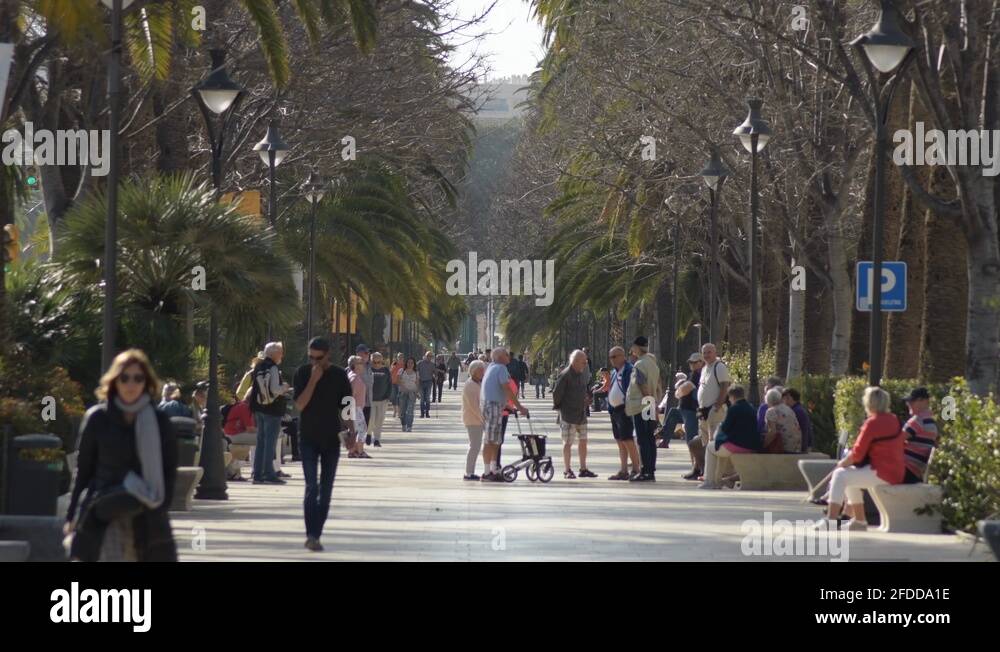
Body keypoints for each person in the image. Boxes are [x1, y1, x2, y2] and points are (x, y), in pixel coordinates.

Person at [65, 349, 178, 562]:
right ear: (114, 380)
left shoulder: (159, 421)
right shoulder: (98, 418)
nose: (130, 384)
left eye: (138, 378)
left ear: (146, 382)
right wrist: (72, 515)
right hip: (104, 511)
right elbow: (83, 471)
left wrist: (161, 507)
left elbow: (169, 471)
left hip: (147, 513)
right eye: (124, 378)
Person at [293, 337, 354, 551]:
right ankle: (311, 534)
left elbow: (347, 405)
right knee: (311, 487)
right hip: (307, 438)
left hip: (330, 440)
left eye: (318, 358)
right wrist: (313, 380)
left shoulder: (338, 375)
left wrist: (351, 432)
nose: (314, 362)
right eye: (310, 357)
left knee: (326, 490)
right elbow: (300, 405)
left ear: (327, 355)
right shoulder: (302, 373)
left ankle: (316, 534)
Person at [816, 386, 905, 530]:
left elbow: (857, 453)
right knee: (849, 477)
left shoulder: (872, 423)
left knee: (840, 475)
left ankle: (831, 520)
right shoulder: (895, 420)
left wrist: (842, 463)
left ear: (869, 403)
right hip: (896, 472)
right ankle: (859, 521)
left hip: (881, 472)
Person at [480, 347, 529, 482]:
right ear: (500, 357)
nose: (509, 356)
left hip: (491, 405)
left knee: (496, 439)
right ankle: (487, 472)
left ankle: (493, 469)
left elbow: (496, 389)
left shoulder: (491, 367)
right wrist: (520, 407)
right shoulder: (501, 368)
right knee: (490, 440)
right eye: (506, 354)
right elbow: (506, 389)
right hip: (493, 406)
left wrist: (508, 406)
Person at [699, 386, 760, 489]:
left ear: (732, 397)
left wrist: (718, 434)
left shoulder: (734, 408)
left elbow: (726, 428)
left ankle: (709, 480)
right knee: (720, 448)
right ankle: (718, 481)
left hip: (737, 445)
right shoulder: (751, 408)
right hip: (751, 446)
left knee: (711, 447)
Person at [249, 342, 291, 484]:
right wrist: (284, 387)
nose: (282, 355)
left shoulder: (259, 366)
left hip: (259, 408)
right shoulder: (272, 367)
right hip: (272, 410)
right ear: (273, 354)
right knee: (270, 443)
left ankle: (257, 474)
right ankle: (269, 473)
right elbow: (275, 389)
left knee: (261, 442)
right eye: (280, 352)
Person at [553, 349, 596, 479]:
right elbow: (557, 394)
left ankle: (583, 468)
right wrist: (562, 408)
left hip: (581, 414)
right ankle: (567, 470)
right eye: (583, 362)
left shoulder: (582, 374)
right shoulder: (565, 375)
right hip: (568, 414)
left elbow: (583, 390)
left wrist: (586, 400)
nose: (585, 364)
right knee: (568, 442)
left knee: (583, 441)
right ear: (575, 361)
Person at [626, 336, 662, 482]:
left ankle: (645, 470)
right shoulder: (653, 364)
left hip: (642, 405)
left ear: (637, 347)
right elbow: (658, 385)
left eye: (633, 347)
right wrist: (654, 403)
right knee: (650, 438)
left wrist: (648, 400)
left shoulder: (639, 364)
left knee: (642, 438)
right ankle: (650, 470)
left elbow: (641, 385)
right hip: (650, 403)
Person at [607, 346, 641, 480]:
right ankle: (623, 470)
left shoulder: (629, 370)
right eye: (611, 357)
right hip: (614, 411)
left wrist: (629, 406)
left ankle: (636, 469)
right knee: (620, 441)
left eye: (615, 356)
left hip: (624, 410)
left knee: (627, 440)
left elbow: (631, 390)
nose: (612, 360)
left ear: (623, 356)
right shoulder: (614, 372)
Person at [697, 343, 731, 458]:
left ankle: (716, 467)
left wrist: (716, 406)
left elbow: (725, 386)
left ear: (715, 353)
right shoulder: (704, 368)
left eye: (709, 352)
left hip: (715, 411)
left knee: (715, 442)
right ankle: (707, 467)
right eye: (704, 353)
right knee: (705, 441)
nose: (706, 355)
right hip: (703, 411)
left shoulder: (719, 366)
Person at [901, 387, 938, 484]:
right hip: (916, 472)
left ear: (924, 401)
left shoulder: (918, 420)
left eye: (911, 401)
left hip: (905, 470)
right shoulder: (931, 422)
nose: (908, 404)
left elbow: (895, 442)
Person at [677, 353, 705, 479]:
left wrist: (678, 392)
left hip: (691, 411)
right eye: (690, 362)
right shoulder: (695, 374)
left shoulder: (697, 375)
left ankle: (697, 468)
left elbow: (684, 390)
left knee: (692, 441)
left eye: (694, 362)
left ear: (701, 362)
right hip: (688, 410)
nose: (692, 365)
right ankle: (696, 467)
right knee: (692, 440)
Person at [462, 360, 487, 480]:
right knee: (474, 446)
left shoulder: (477, 383)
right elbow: (474, 406)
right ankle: (469, 472)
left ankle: (470, 471)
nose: (483, 373)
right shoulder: (470, 385)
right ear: (473, 371)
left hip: (477, 419)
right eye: (480, 371)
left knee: (476, 446)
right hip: (473, 420)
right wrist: (483, 419)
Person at [762, 388, 802, 454]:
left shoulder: (771, 411)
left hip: (783, 448)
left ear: (768, 400)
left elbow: (772, 432)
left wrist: (763, 446)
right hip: (796, 447)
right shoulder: (788, 409)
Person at [347, 355, 371, 459]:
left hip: (355, 408)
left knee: (354, 430)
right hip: (355, 408)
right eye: (360, 363)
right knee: (362, 429)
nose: (363, 365)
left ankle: (353, 451)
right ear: (354, 365)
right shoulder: (355, 378)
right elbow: (350, 395)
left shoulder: (353, 376)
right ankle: (360, 451)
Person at [352, 344, 374, 444]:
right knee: (358, 425)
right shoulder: (353, 367)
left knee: (366, 423)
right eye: (365, 353)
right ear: (358, 354)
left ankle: (361, 444)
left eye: (368, 353)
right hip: (358, 402)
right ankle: (355, 446)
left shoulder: (369, 366)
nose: (368, 354)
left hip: (368, 401)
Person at [369, 352, 392, 448]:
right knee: (371, 420)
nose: (376, 364)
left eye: (378, 362)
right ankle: (368, 435)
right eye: (374, 362)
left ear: (382, 361)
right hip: (370, 400)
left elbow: (389, 384)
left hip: (382, 400)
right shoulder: (368, 369)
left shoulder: (386, 370)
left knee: (379, 420)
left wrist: (388, 397)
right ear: (371, 361)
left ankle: (377, 439)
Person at [781, 388, 814, 452]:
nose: (785, 401)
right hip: (803, 445)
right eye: (784, 399)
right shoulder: (799, 409)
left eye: (787, 398)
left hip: (799, 446)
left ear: (793, 399)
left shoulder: (796, 411)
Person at [396, 357, 419, 432]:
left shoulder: (416, 372)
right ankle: (403, 424)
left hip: (412, 393)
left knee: (410, 410)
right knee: (402, 411)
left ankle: (409, 426)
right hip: (403, 393)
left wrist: (417, 392)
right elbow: (398, 381)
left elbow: (417, 383)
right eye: (409, 362)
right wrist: (403, 387)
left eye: (412, 363)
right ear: (406, 363)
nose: (410, 364)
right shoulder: (401, 371)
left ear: (414, 364)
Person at [416, 351, 436, 418]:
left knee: (427, 398)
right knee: (422, 398)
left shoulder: (432, 364)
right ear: (425, 356)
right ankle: (422, 413)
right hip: (421, 382)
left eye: (430, 356)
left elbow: (434, 372)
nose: (429, 357)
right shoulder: (420, 363)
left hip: (428, 382)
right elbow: (416, 370)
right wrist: (417, 377)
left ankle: (427, 412)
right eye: (428, 356)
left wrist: (435, 375)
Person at [389, 352, 405, 417]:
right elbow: (390, 372)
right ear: (397, 358)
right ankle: (394, 411)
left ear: (403, 358)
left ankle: (399, 412)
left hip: (400, 383)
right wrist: (393, 367)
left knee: (399, 397)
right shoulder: (394, 364)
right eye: (399, 357)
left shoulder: (404, 365)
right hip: (393, 383)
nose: (400, 358)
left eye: (401, 357)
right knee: (393, 397)